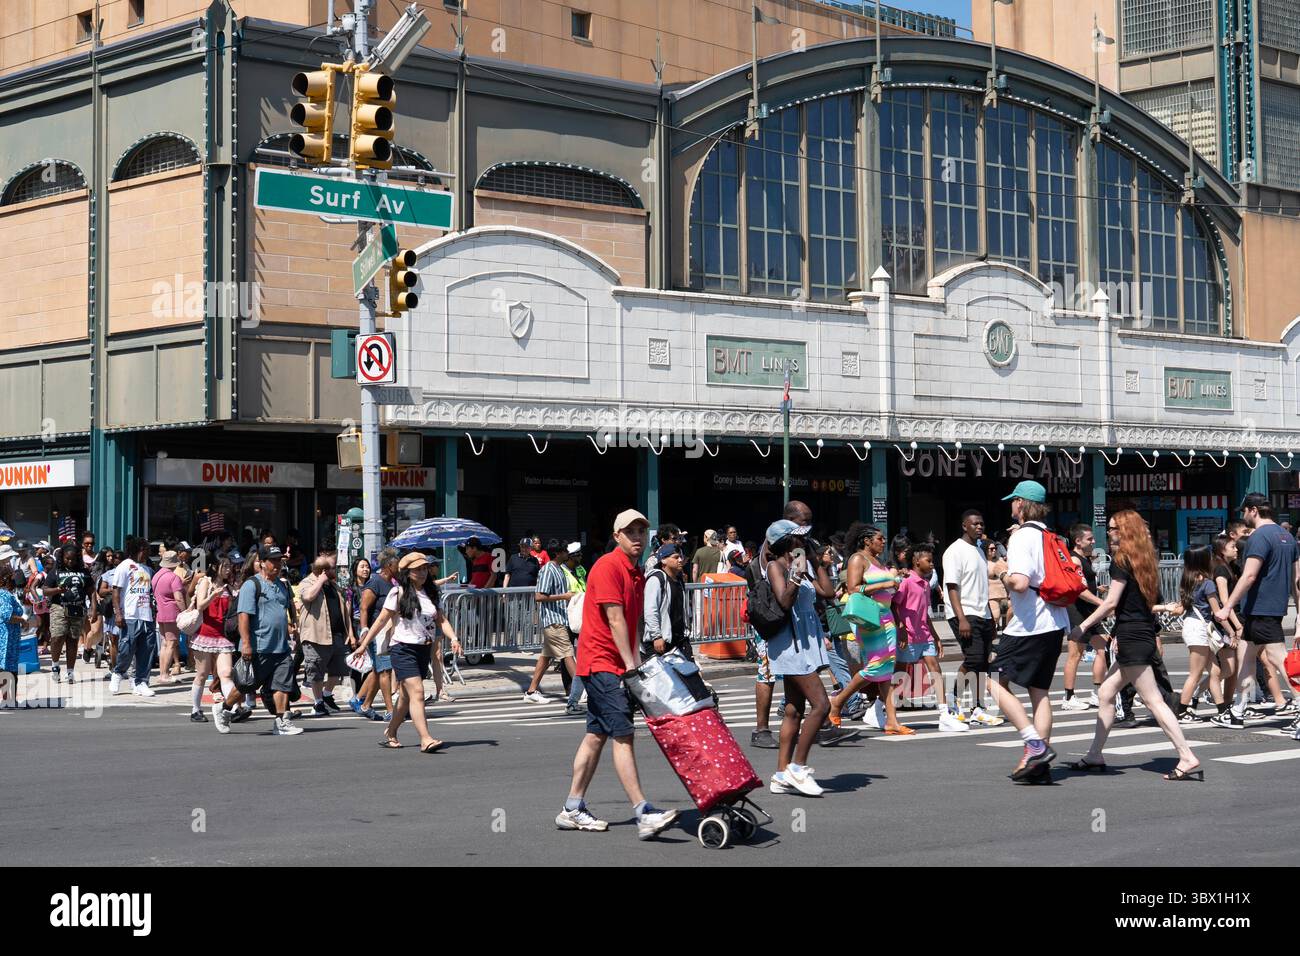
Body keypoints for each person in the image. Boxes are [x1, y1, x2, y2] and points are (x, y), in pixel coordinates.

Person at [555, 509, 678, 838]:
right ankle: (643, 811)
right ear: (617, 535)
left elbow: (633, 623)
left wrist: (640, 662)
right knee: (623, 735)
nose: (638, 536)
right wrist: (631, 667)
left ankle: (571, 808)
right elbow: (615, 620)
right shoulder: (609, 566)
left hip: (613, 663)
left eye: (642, 531)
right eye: (630, 531)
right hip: (602, 664)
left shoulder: (637, 572)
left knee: (596, 735)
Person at [1068, 510, 1201, 780]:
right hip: (1139, 634)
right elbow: (1141, 604)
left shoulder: (1121, 560)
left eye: (1114, 528)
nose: (1109, 533)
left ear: (1126, 531)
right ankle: (1095, 754)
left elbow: (1111, 603)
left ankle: (1186, 755)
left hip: (1132, 637)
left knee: (1153, 701)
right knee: (1106, 693)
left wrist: (1081, 626)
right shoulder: (1145, 560)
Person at [990, 481, 1068, 781]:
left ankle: (1034, 745)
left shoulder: (1022, 537)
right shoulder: (1050, 535)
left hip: (1030, 622)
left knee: (992, 679)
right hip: (1055, 620)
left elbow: (1020, 582)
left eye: (1013, 501)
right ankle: (1040, 764)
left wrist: (1001, 571)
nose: (1011, 506)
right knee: (1039, 691)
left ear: (1021, 504)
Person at [363, 552, 462, 752]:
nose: (423, 572)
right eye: (418, 569)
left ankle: (391, 732)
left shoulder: (432, 593)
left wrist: (454, 638)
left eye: (425, 568)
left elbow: (441, 620)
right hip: (402, 649)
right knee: (417, 692)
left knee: (406, 698)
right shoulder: (397, 593)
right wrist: (363, 644)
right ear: (407, 573)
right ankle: (426, 739)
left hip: (423, 649)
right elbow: (381, 620)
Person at [1214, 493, 1300, 726]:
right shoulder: (1288, 537)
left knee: (1280, 658)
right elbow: (1297, 581)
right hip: (1267, 607)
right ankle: (1238, 711)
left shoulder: (1259, 537)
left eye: (1244, 511)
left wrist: (1227, 606)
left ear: (1253, 510)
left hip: (1261, 606)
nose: (1243, 517)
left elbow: (1249, 575)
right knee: (1247, 658)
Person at [827, 523, 910, 735]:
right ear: (867, 540)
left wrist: (894, 583)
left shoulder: (878, 561)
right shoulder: (858, 559)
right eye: (880, 539)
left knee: (886, 670)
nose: (883, 542)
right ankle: (838, 701)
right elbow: (854, 588)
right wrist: (884, 585)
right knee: (876, 666)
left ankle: (891, 720)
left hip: (886, 616)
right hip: (870, 619)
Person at [213, 545, 300, 736]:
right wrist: (246, 644)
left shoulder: (282, 585)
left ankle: (281, 721)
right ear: (261, 563)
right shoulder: (252, 585)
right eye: (273, 560)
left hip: (281, 647)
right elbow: (244, 615)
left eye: (279, 560)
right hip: (259, 645)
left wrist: (293, 630)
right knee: (247, 685)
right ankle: (224, 708)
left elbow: (284, 611)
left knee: (282, 684)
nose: (277, 564)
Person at [890, 542, 965, 732]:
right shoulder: (906, 581)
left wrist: (936, 636)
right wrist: (901, 629)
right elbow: (894, 605)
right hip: (908, 636)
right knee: (900, 674)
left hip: (924, 634)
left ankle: (943, 713)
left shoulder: (924, 584)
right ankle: (881, 709)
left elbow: (925, 614)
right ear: (916, 562)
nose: (932, 564)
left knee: (934, 667)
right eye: (928, 560)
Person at [942, 511, 1003, 724]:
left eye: (982, 523)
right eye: (975, 523)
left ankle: (977, 708)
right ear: (964, 526)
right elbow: (952, 587)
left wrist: (991, 620)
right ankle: (952, 701)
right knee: (973, 659)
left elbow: (981, 587)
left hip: (983, 614)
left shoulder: (979, 550)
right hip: (964, 613)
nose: (979, 527)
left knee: (983, 664)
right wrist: (962, 619)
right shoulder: (954, 551)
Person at [1171, 545, 1237, 727]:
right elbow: (1217, 613)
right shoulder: (1207, 583)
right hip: (1200, 629)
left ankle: (1222, 710)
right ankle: (1183, 710)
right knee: (1195, 673)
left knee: (1214, 672)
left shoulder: (1188, 580)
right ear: (1203, 560)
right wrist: (1232, 631)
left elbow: (1184, 606)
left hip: (1192, 626)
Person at [297, 555, 354, 718]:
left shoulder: (334, 586)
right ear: (323, 571)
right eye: (332, 568)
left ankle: (327, 695)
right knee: (316, 671)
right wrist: (320, 581)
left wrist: (350, 633)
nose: (335, 570)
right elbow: (308, 597)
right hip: (316, 636)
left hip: (337, 635)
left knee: (338, 669)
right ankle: (318, 702)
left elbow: (344, 612)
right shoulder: (307, 583)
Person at [1062, 524, 1108, 711]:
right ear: (1078, 541)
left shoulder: (1084, 559)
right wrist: (1102, 603)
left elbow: (1087, 585)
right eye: (1090, 539)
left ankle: (1097, 693)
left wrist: (1098, 594)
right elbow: (1079, 590)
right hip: (1077, 611)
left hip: (1089, 611)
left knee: (1103, 649)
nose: (1094, 541)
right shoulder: (1075, 559)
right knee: (1075, 654)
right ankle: (1068, 697)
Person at [533, 542, 584, 710]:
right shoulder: (549, 569)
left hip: (560, 619)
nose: (567, 555)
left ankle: (531, 691)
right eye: (564, 552)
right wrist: (565, 596)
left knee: (546, 657)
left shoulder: (559, 569)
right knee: (568, 655)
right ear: (558, 554)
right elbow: (539, 596)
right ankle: (576, 697)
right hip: (554, 620)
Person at [105, 536, 157, 697]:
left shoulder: (148, 569)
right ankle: (118, 673)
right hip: (130, 614)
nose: (148, 553)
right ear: (140, 550)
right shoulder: (124, 566)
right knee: (126, 648)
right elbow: (116, 591)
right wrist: (118, 613)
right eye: (147, 550)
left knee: (146, 651)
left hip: (147, 616)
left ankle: (141, 682)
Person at [352, 548, 398, 721]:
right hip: (374, 632)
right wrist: (364, 630)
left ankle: (364, 705)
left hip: (386, 633)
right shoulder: (375, 582)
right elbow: (364, 608)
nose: (399, 566)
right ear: (388, 565)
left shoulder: (392, 583)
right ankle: (390, 710)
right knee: (385, 670)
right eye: (396, 563)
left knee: (379, 672)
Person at [192, 556, 237, 725]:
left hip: (223, 636)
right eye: (224, 566)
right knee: (202, 675)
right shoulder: (206, 582)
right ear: (215, 566)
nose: (228, 569)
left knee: (226, 673)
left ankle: (232, 708)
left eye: (229, 567)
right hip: (205, 634)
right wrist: (213, 595)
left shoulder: (230, 586)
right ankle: (195, 710)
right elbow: (200, 606)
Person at [1207, 535, 1245, 728]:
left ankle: (1227, 705)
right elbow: (1224, 601)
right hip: (1225, 621)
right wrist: (1236, 627)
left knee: (1234, 669)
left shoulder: (1234, 567)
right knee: (1229, 667)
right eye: (1232, 546)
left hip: (1233, 618)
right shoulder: (1221, 569)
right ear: (1222, 549)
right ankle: (1206, 688)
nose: (1236, 549)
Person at [44, 544, 89, 684]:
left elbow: (91, 589)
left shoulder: (83, 571)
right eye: (67, 559)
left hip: (77, 608)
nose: (70, 561)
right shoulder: (55, 571)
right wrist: (57, 590)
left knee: (73, 640)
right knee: (57, 637)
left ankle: (70, 672)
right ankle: (55, 666)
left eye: (73, 559)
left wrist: (93, 607)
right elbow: (45, 590)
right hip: (59, 607)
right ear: (62, 557)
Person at [642, 542, 693, 659]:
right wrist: (656, 636)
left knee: (691, 675)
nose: (680, 560)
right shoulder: (656, 579)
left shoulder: (679, 580)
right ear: (663, 560)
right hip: (661, 642)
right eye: (675, 557)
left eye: (681, 557)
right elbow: (650, 610)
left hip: (680, 640)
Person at [151, 551, 186, 685]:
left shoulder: (156, 576)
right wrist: (185, 612)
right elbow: (179, 598)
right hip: (172, 613)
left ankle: (162, 673)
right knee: (171, 643)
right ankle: (165, 674)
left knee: (165, 643)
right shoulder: (174, 577)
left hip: (160, 612)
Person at [0, 564, 25, 707]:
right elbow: (7, 615)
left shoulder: (7, 594)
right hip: (6, 638)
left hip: (11, 638)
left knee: (10, 669)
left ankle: (10, 699)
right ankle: (8, 699)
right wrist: (23, 620)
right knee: (5, 668)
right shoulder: (4, 595)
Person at [986, 541, 1010, 631]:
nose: (994, 551)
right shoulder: (983, 562)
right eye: (991, 549)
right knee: (995, 616)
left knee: (1012, 611)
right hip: (991, 594)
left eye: (995, 549)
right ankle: (991, 634)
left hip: (1003, 592)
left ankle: (1008, 631)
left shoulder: (1000, 560)